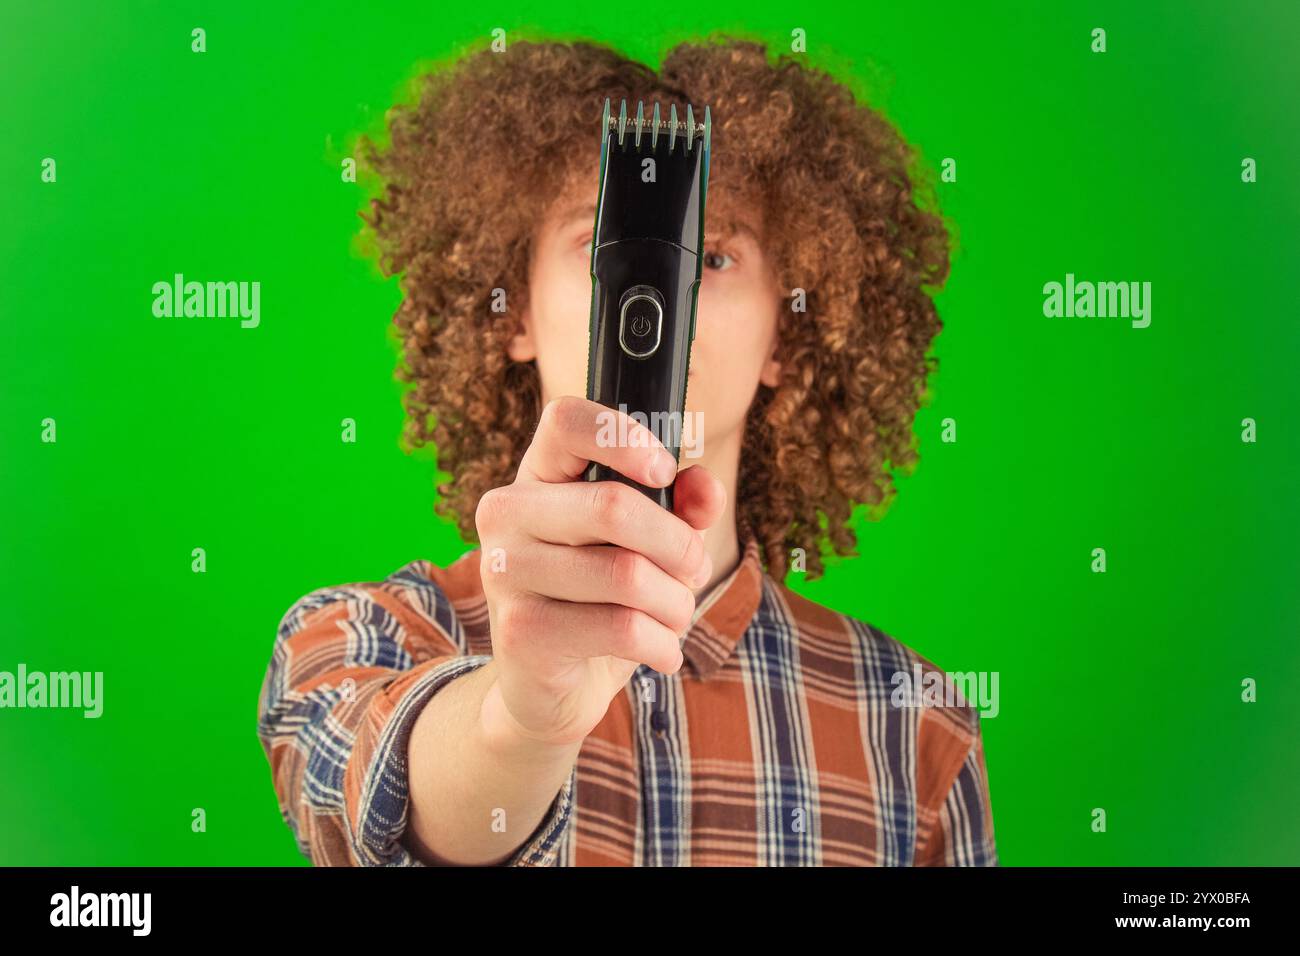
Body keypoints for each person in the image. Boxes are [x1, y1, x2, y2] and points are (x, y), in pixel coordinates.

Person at [257, 35, 997, 866]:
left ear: (785, 332)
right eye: (602, 247)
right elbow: (375, 803)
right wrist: (522, 718)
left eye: (713, 257)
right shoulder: (358, 638)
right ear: (517, 316)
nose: (661, 304)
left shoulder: (916, 725)